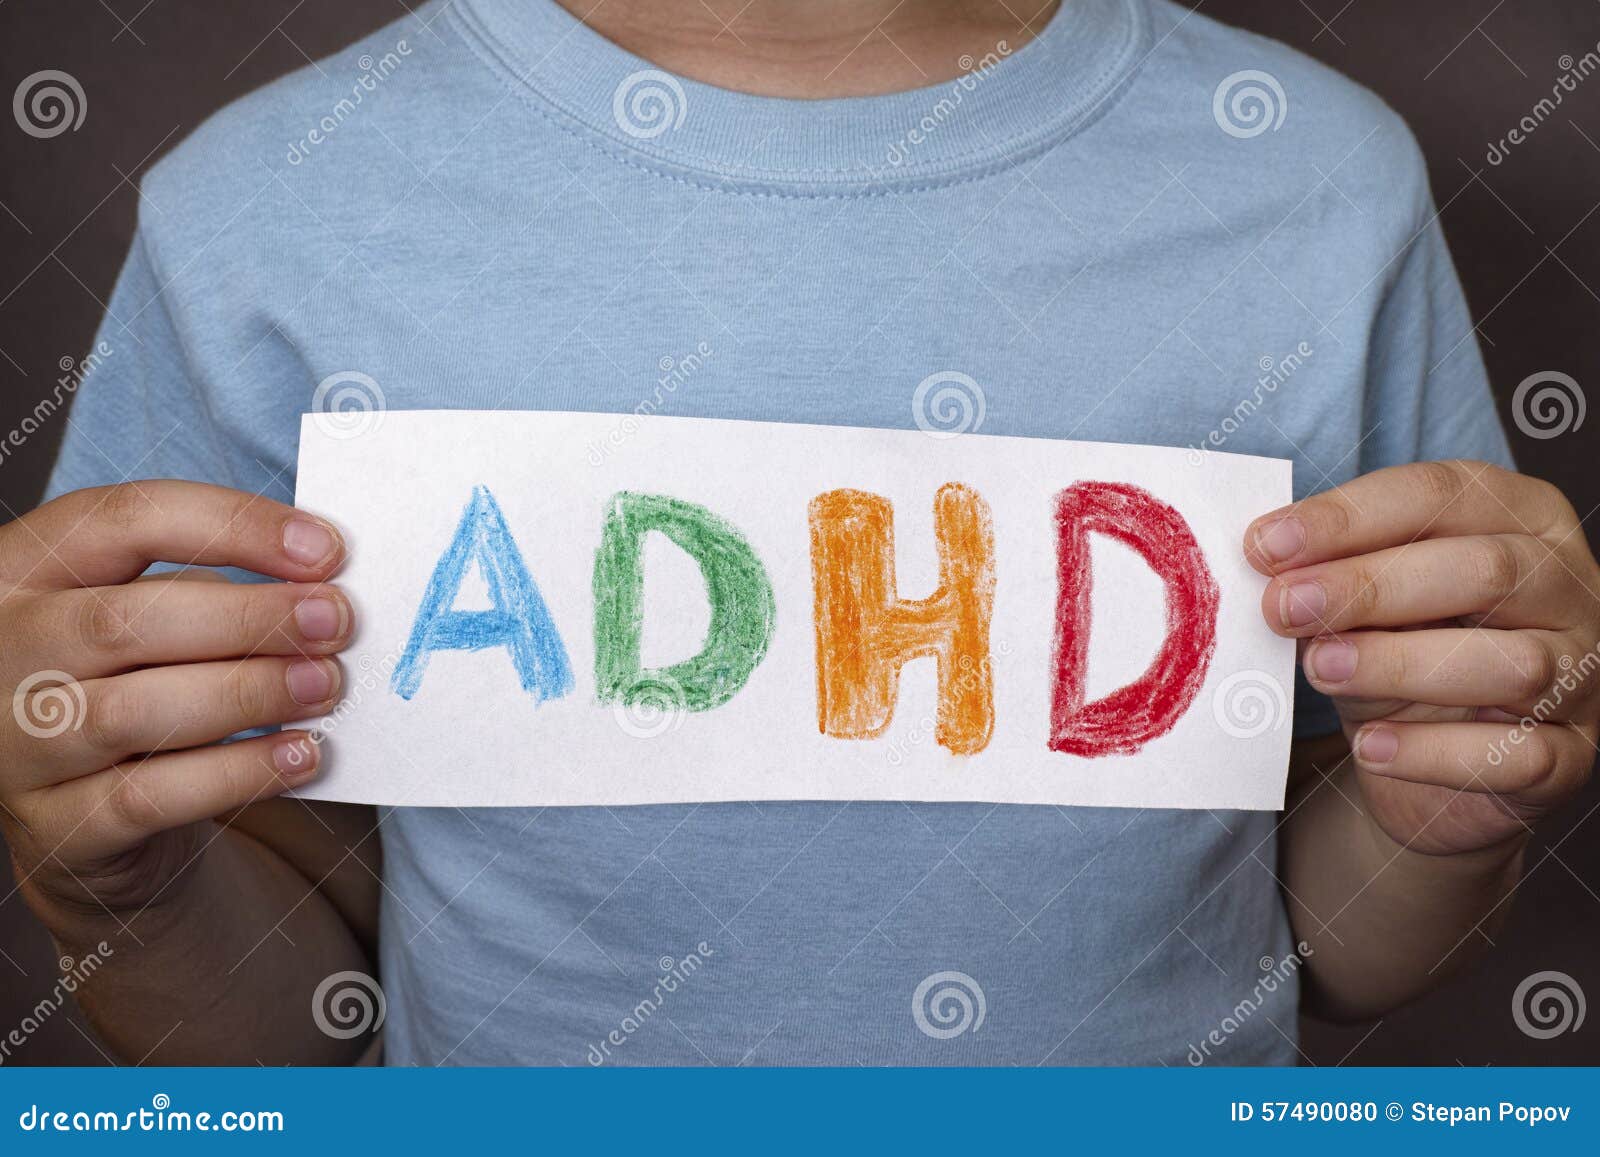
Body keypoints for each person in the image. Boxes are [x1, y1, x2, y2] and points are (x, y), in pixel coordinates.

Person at [3, 0, 1595, 1065]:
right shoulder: (268, 210)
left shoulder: (1315, 181)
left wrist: (1439, 817)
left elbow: (1328, 946)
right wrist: (108, 896)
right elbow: (295, 1025)